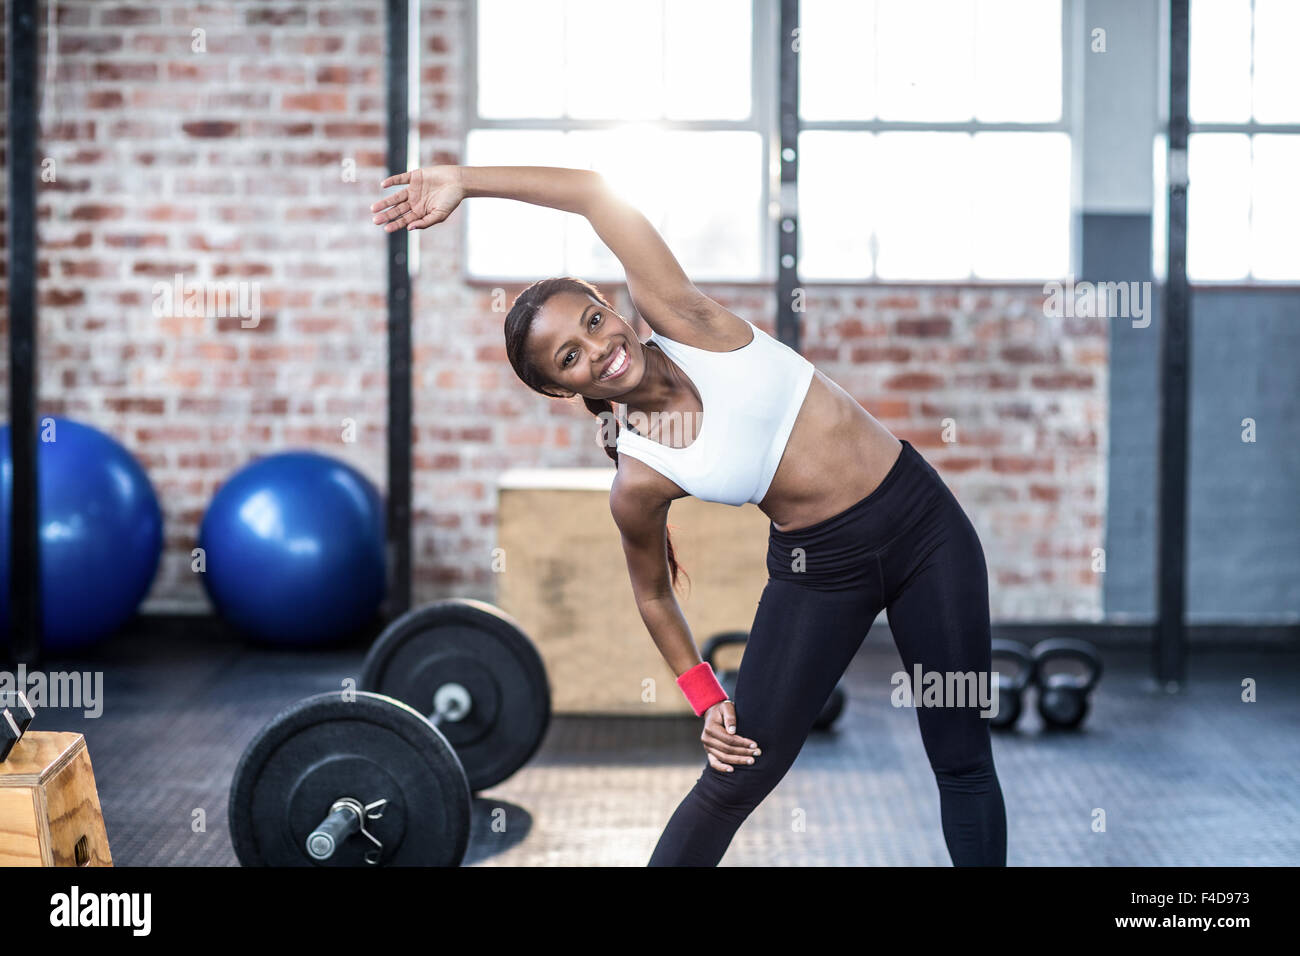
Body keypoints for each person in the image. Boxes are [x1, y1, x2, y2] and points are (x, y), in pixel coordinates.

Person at [370, 164, 1007, 866]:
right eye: (570, 357)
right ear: (560, 388)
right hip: (819, 571)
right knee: (738, 773)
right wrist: (706, 698)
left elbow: (589, 192)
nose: (601, 349)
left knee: (961, 755)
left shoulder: (681, 313)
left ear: (613, 307)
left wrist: (464, 180)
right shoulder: (639, 478)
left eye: (593, 320)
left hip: (925, 527)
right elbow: (651, 592)